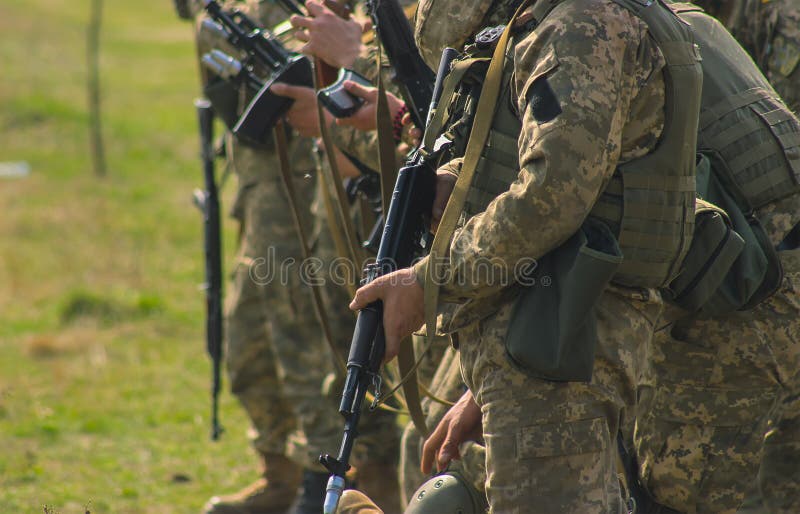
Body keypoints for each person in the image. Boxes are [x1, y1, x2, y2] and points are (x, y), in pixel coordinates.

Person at [347, 0, 706, 512]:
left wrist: (429, 283)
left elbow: (551, 195)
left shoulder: (580, 23)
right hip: (549, 322)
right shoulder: (553, 21)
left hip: (560, 331)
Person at [183, 2, 393, 513]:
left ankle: (362, 482)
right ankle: (281, 471)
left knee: (321, 337)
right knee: (247, 339)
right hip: (262, 191)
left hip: (321, 181)